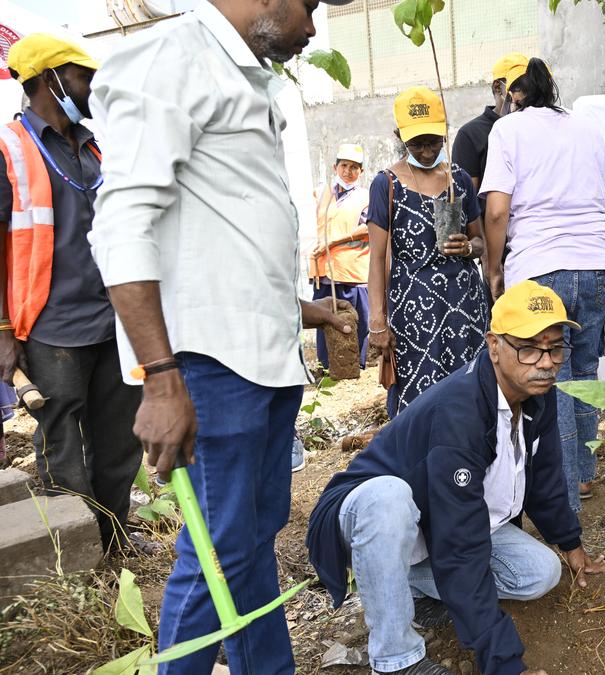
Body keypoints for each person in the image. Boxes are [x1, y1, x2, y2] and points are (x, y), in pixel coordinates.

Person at [88, 1, 356, 672]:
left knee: (246, 541)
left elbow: (225, 245)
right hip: (207, 368)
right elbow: (122, 224)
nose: (312, 29)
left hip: (260, 363)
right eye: (310, 7)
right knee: (215, 550)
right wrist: (160, 375)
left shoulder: (242, 75)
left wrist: (310, 314)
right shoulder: (174, 57)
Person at [307, 281, 605, 675]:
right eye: (528, 347)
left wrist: (572, 546)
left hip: (439, 521)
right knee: (388, 498)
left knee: (541, 573)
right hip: (366, 518)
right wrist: (505, 664)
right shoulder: (460, 411)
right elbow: (460, 546)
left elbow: (546, 479)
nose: (545, 362)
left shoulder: (536, 394)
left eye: (555, 348)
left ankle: (416, 590)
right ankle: (395, 659)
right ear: (493, 346)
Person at [0, 34, 142, 554]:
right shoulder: (9, 149)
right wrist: (1, 333)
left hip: (114, 321)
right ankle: (80, 551)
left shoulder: (95, 145)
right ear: (49, 80)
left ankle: (115, 534)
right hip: (52, 325)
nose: (92, 86)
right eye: (82, 76)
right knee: (61, 447)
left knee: (120, 440)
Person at [480, 57, 605, 511]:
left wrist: (496, 265)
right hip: (598, 264)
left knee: (550, 374)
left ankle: (564, 497)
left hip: (539, 266)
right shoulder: (587, 127)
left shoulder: (507, 130)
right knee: (583, 370)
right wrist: (588, 241)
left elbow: (498, 211)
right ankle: (582, 476)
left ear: (513, 94)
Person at [366, 86, 489, 419]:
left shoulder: (459, 180)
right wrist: (377, 320)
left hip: (465, 307)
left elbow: (481, 243)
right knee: (419, 397)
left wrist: (468, 247)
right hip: (414, 312)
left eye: (433, 141)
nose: (425, 151)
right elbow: (377, 258)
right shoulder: (386, 184)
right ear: (399, 137)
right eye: (416, 143)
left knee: (470, 390)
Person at [311, 142, 371, 372]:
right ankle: (326, 367)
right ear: (335, 167)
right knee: (324, 317)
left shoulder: (366, 196)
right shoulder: (320, 192)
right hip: (325, 269)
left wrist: (334, 242)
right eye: (344, 165)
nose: (348, 171)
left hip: (354, 269)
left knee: (359, 319)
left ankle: (355, 363)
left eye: (354, 167)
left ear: (361, 171)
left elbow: (367, 229)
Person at [451, 52, 528, 193]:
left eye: (530, 86)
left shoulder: (531, 127)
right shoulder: (470, 134)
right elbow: (467, 198)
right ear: (498, 87)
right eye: (519, 86)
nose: (525, 93)